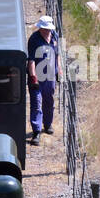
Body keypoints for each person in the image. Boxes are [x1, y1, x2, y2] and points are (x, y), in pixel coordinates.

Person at [27, 15, 60, 145]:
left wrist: (59, 70)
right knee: (36, 102)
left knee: (49, 100)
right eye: (45, 29)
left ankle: (48, 124)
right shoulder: (34, 39)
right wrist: (33, 78)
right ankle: (36, 131)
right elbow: (31, 61)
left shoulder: (54, 36)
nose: (47, 31)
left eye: (48, 29)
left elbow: (57, 54)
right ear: (40, 28)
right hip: (37, 77)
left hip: (50, 75)